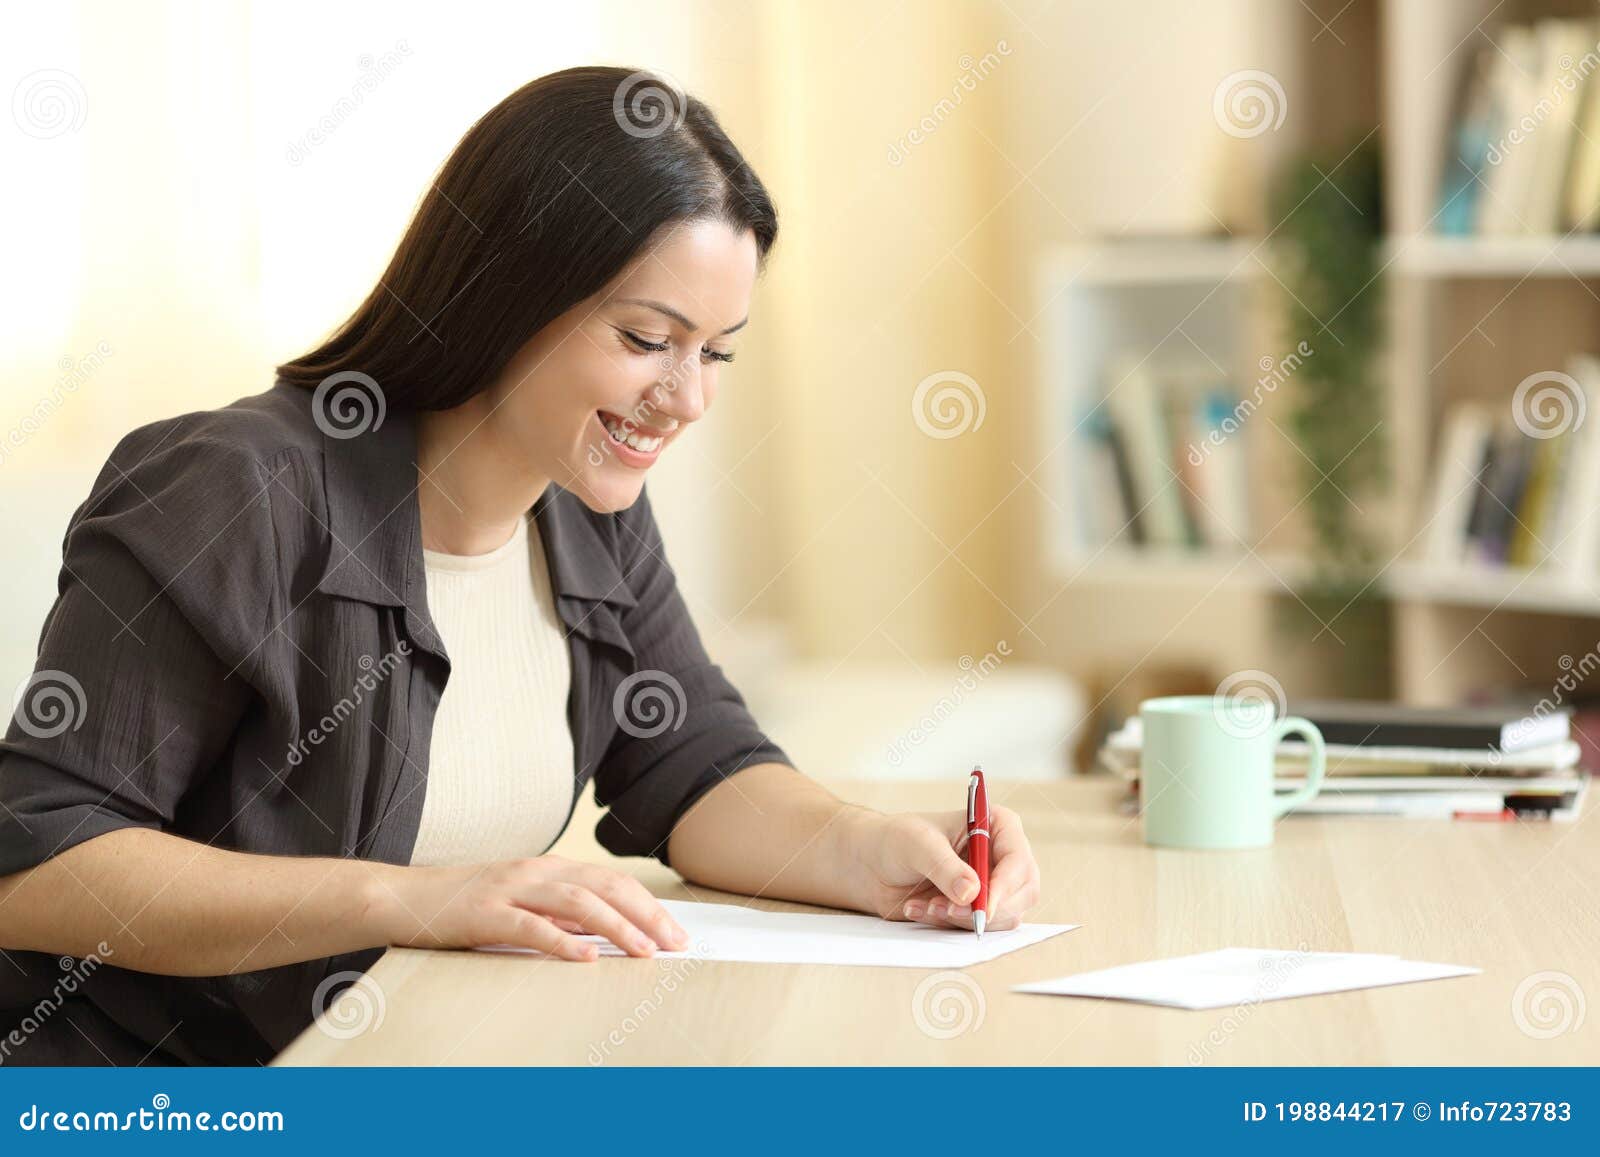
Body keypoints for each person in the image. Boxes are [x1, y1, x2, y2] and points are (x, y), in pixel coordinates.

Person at [0, 66, 1041, 1065]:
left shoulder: (583, 505)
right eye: (647, 338)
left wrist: (874, 849)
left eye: (716, 351)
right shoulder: (234, 491)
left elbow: (694, 761)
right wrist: (414, 898)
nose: (687, 399)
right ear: (506, 294)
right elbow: (38, 855)